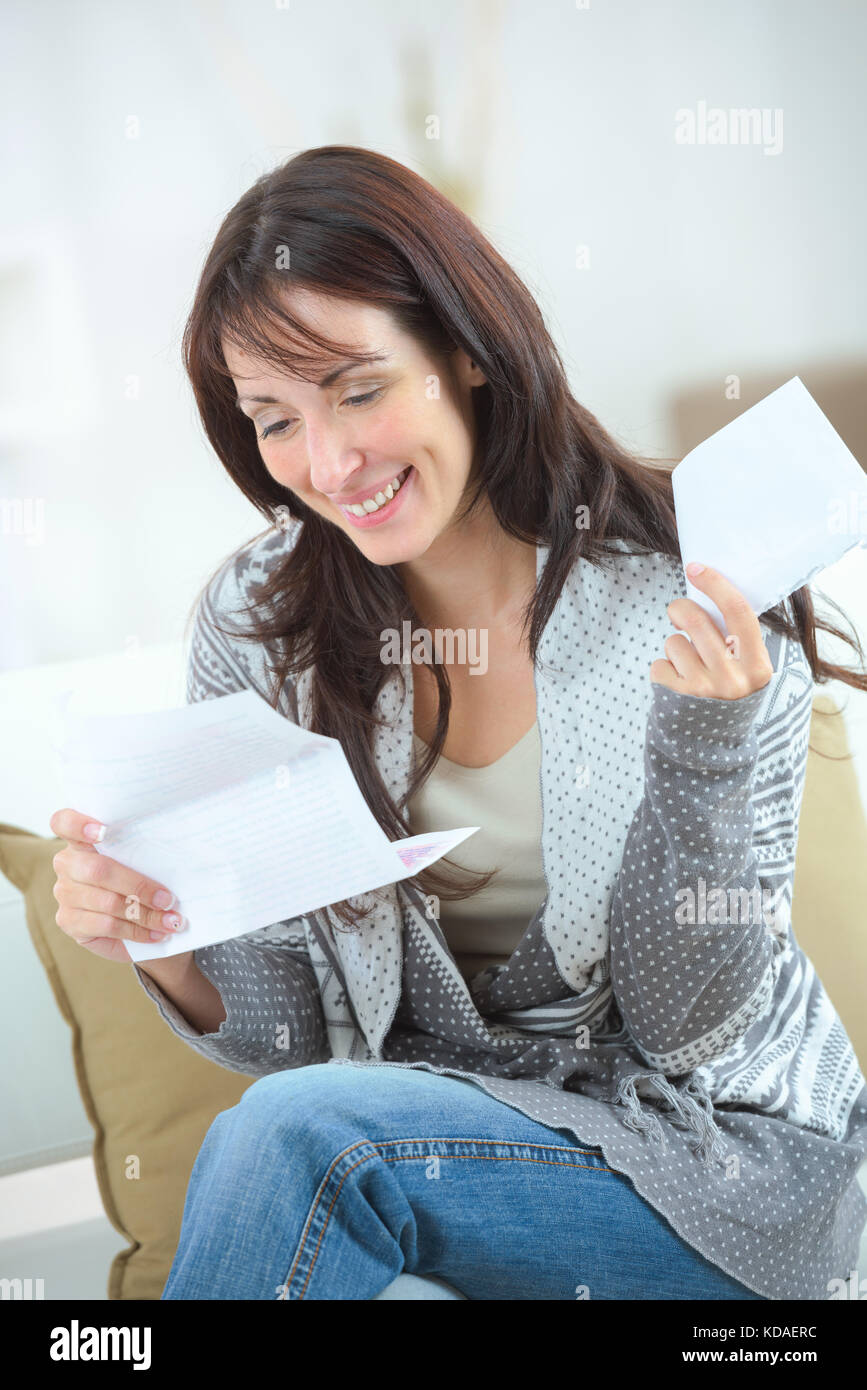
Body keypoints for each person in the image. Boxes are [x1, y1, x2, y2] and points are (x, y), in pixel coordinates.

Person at [50, 146, 867, 1301]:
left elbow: (688, 1028)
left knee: (311, 1142)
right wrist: (169, 939)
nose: (328, 464)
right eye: (274, 420)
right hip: (452, 1164)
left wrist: (706, 753)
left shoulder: (702, 584)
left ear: (466, 351)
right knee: (308, 1135)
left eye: (360, 389)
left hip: (717, 1168)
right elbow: (292, 1042)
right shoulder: (257, 624)